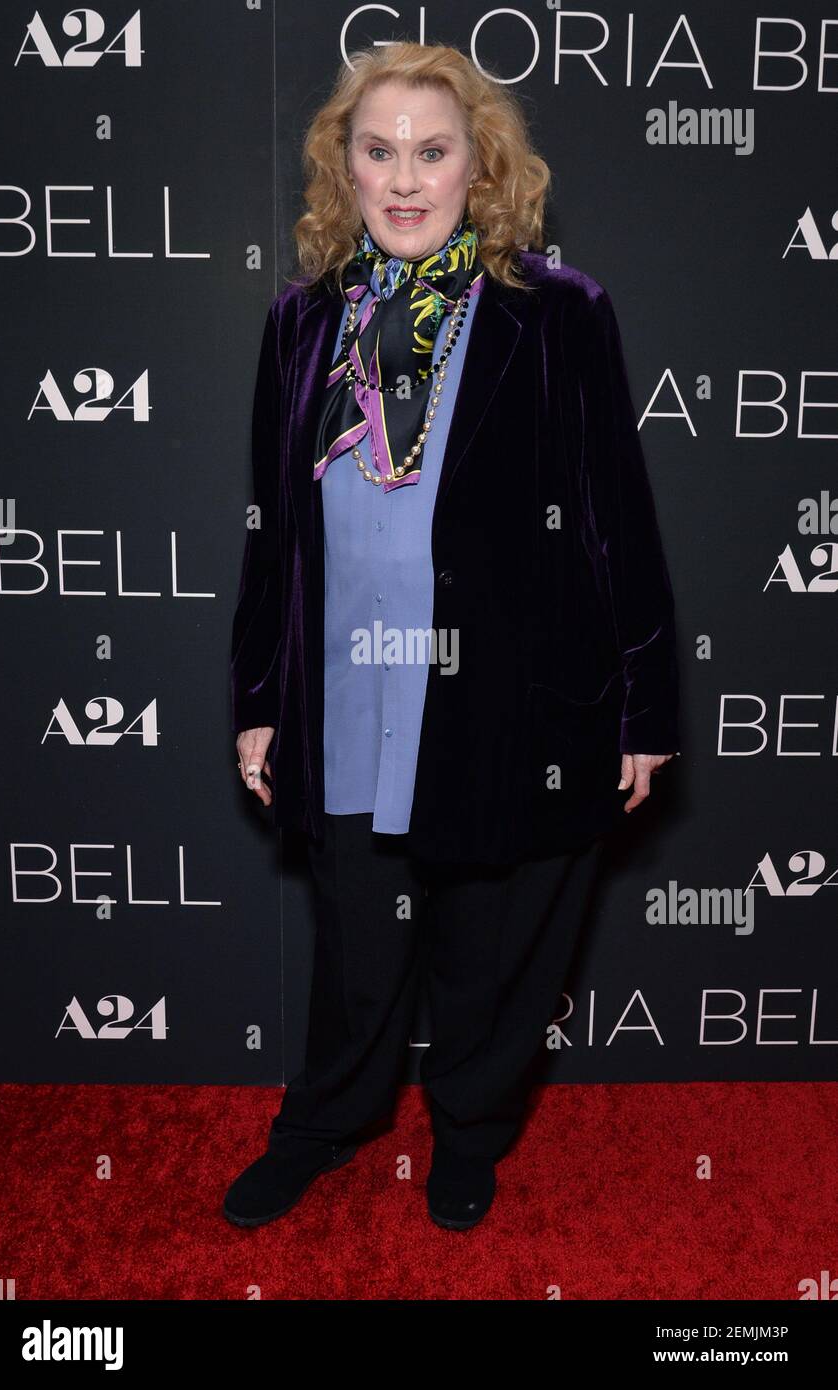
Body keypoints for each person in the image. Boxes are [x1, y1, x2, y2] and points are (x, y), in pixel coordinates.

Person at [223, 41, 680, 1231]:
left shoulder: (556, 312)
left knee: (491, 951)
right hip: (346, 693)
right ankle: (326, 1122)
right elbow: (272, 536)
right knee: (358, 950)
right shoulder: (299, 325)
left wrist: (641, 708)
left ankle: (468, 1131)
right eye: (379, 150)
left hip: (510, 701)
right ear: (344, 166)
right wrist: (258, 697)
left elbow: (612, 513)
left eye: (433, 150)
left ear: (481, 168)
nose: (406, 177)